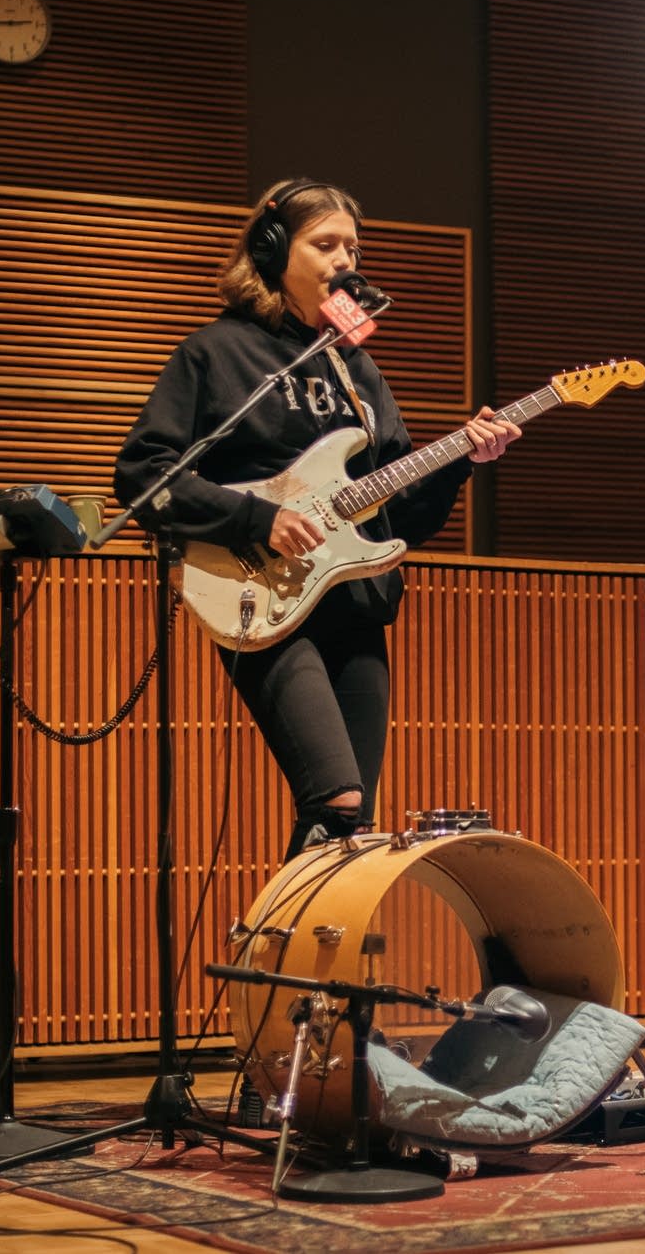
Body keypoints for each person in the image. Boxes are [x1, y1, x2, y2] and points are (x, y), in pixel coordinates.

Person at [114, 178, 520, 860]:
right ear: (273, 250)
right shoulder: (217, 352)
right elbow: (142, 475)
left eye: (352, 247)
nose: (345, 260)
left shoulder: (361, 374)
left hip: (355, 607)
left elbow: (401, 519)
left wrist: (459, 462)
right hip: (260, 596)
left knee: (349, 832)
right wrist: (255, 517)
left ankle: (309, 961)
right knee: (336, 796)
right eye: (325, 243)